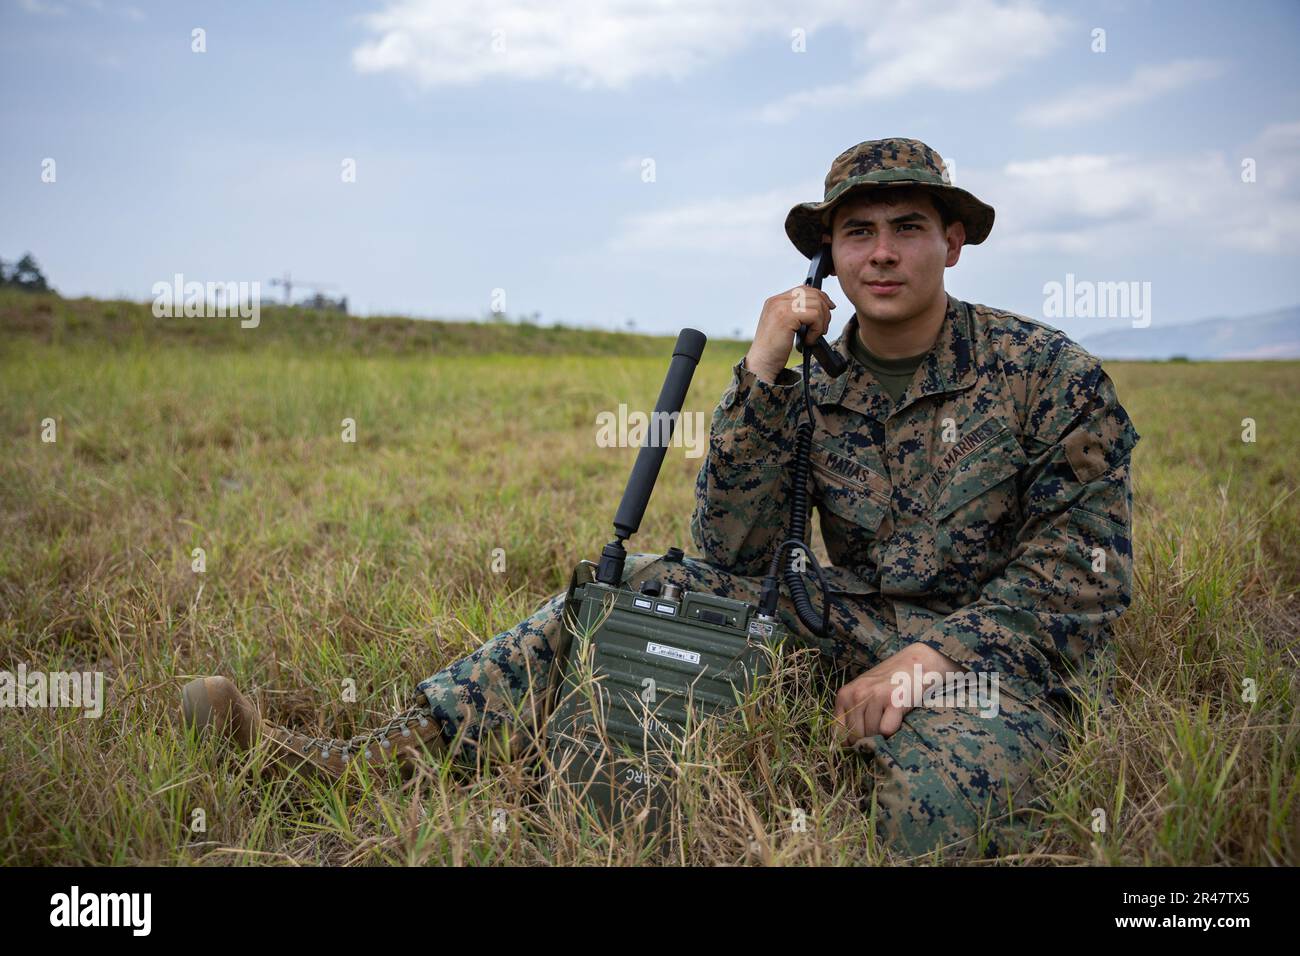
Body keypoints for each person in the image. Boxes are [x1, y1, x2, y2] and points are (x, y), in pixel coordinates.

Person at [181, 137, 1141, 858]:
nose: (881, 254)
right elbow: (728, 553)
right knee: (636, 587)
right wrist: (762, 376)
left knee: (941, 817)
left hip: (989, 661)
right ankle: (363, 757)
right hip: (841, 627)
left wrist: (933, 657)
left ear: (954, 243)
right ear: (829, 259)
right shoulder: (813, 377)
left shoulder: (1046, 375)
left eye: (906, 229)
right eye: (858, 233)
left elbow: (1082, 579)